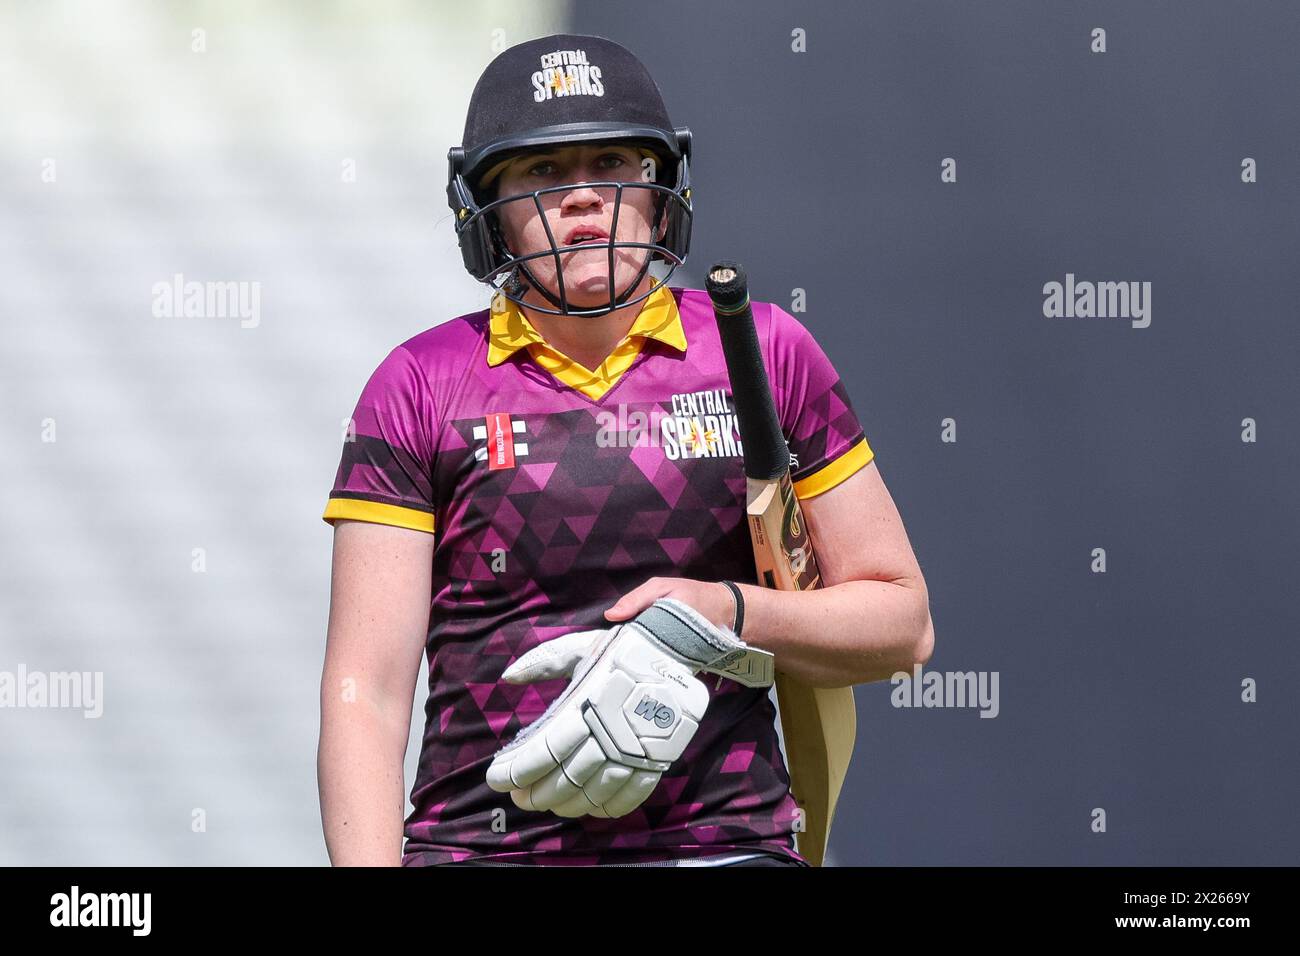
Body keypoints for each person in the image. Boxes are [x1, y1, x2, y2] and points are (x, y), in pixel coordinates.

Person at [317, 33, 933, 868]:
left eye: (611, 162)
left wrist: (719, 616)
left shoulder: (765, 352)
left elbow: (902, 624)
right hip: (480, 850)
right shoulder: (417, 383)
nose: (583, 200)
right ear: (486, 207)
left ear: (660, 188)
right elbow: (368, 693)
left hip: (724, 846)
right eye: (541, 173)